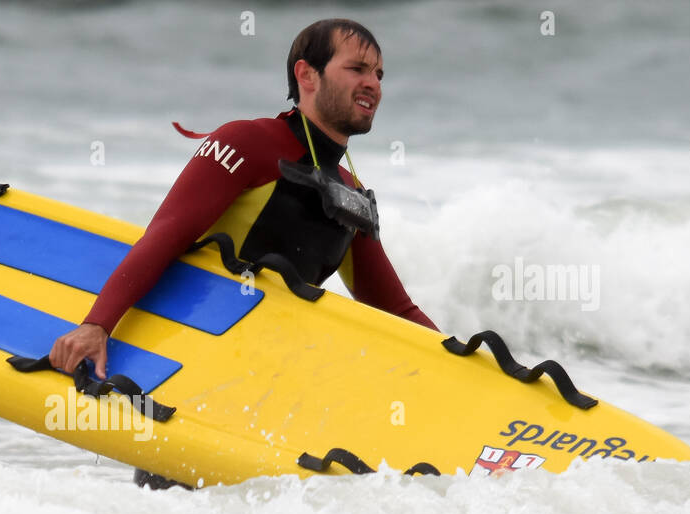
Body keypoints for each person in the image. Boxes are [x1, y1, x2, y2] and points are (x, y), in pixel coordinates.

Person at [48, 18, 438, 388]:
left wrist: (474, 371)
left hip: (268, 383)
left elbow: (397, 311)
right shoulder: (247, 143)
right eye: (358, 69)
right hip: (183, 366)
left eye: (379, 74)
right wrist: (97, 325)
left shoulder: (351, 196)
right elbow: (166, 236)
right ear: (306, 75)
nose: (373, 84)